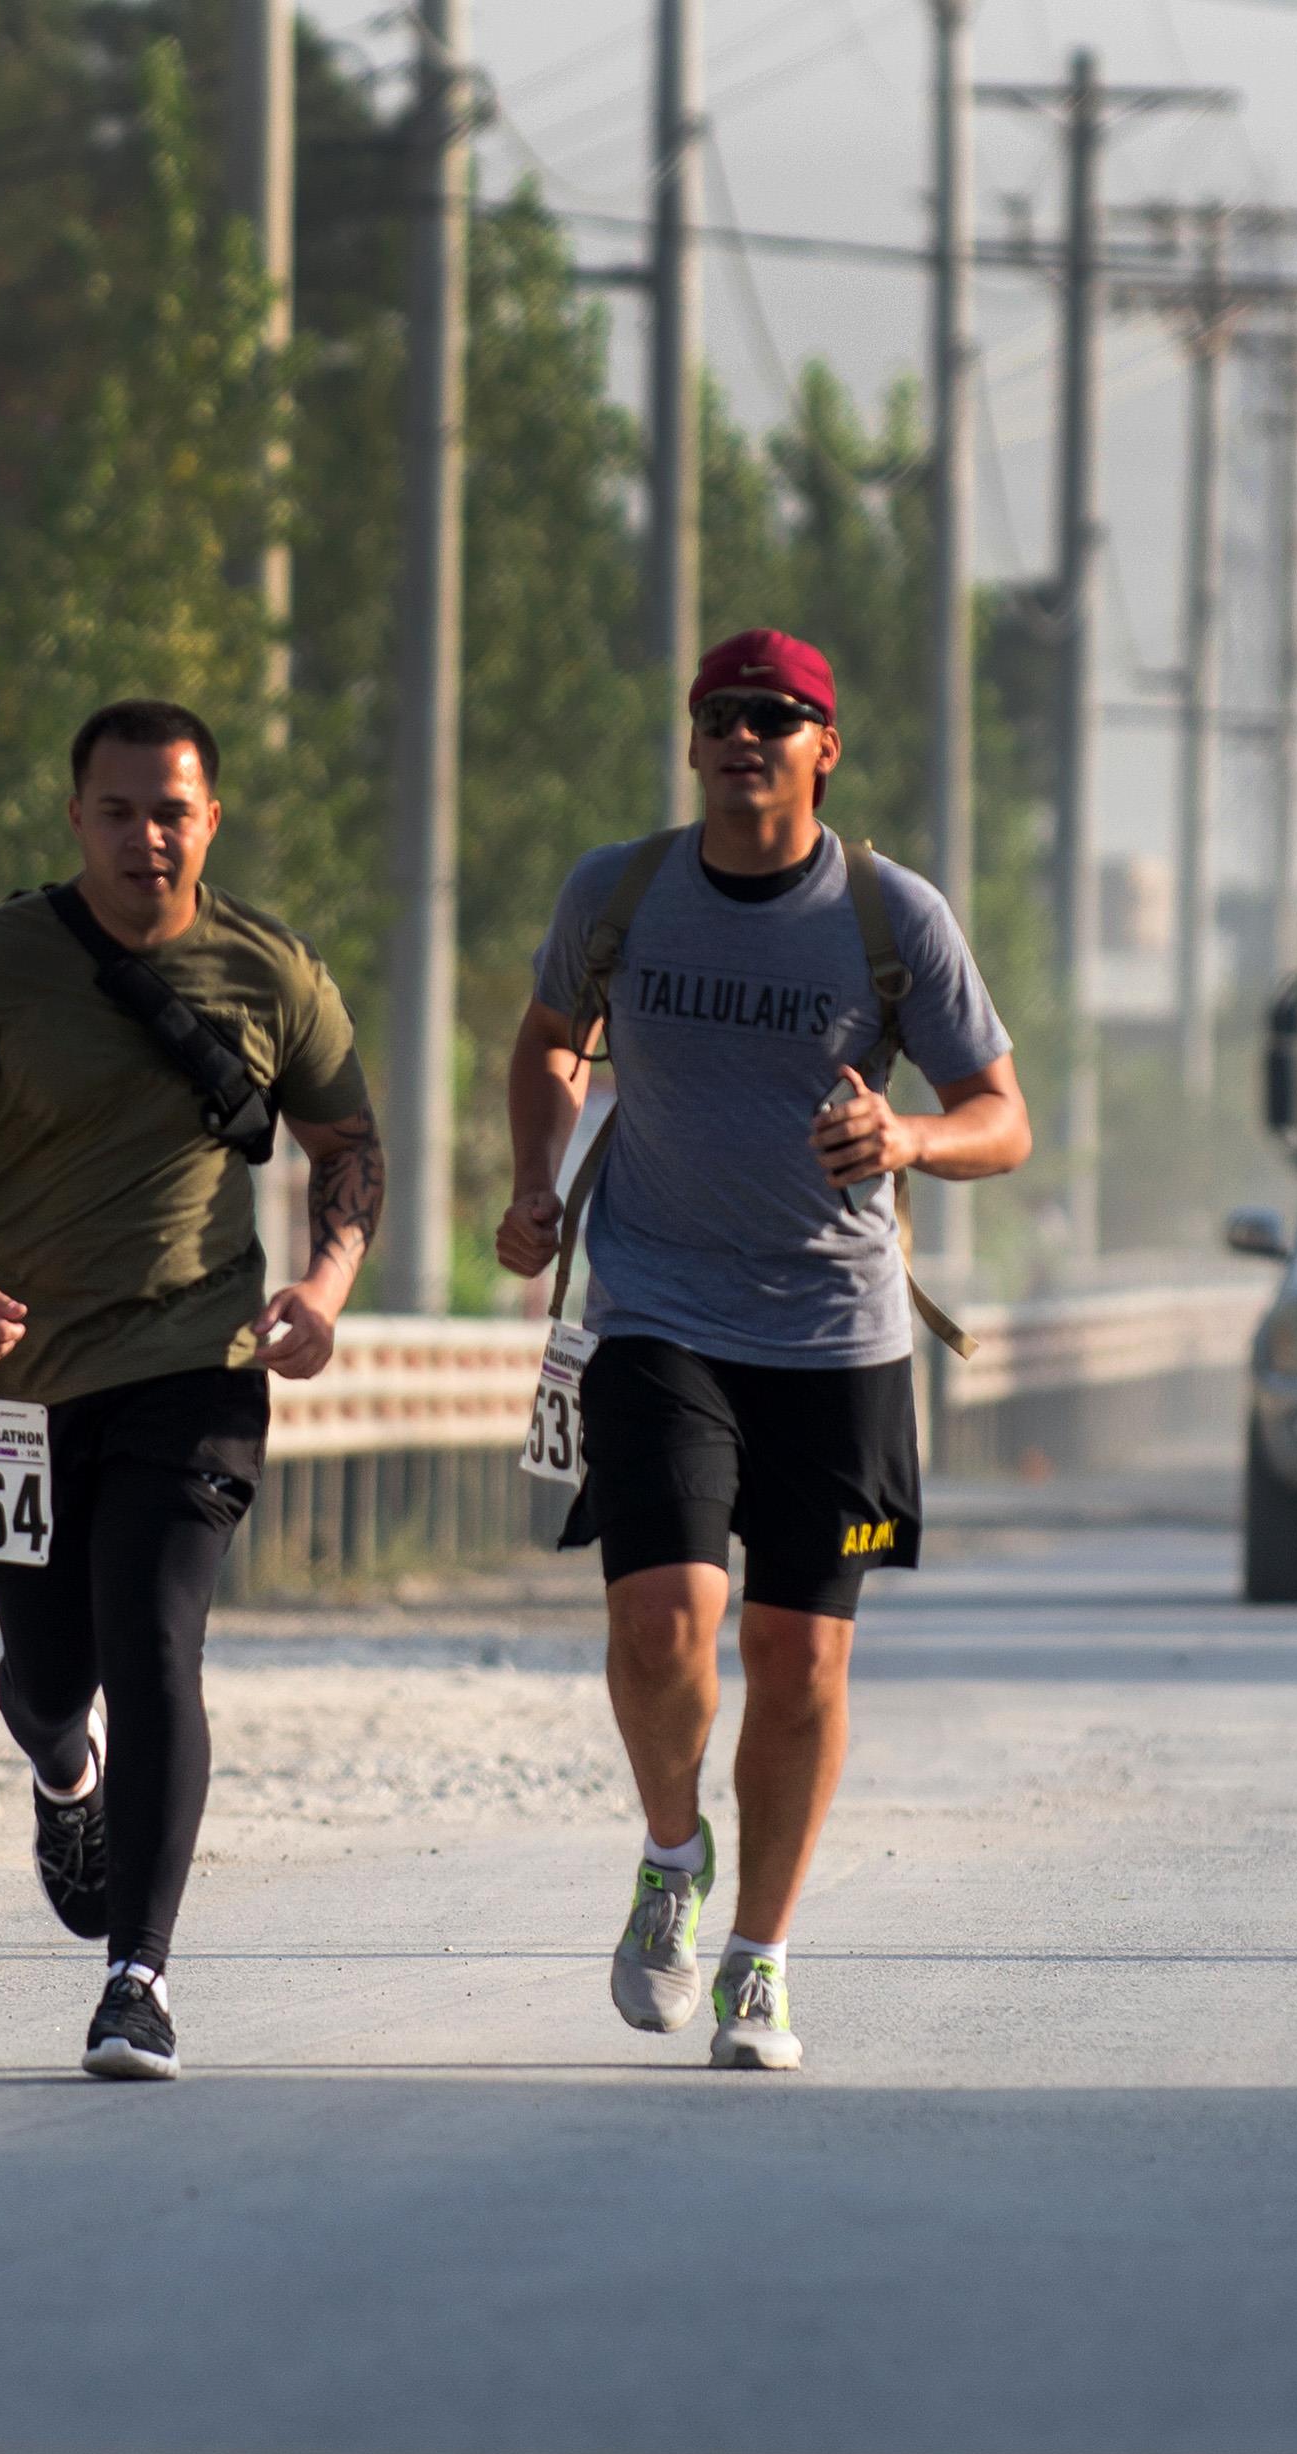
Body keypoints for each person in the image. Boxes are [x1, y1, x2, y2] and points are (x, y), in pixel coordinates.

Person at [495, 629, 1027, 2073]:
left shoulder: (890, 917)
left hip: (836, 1338)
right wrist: (537, 1178)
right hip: (655, 1310)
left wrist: (907, 1134)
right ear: (691, 742)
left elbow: (1001, 1116)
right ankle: (673, 1854)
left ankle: (760, 1960)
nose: (745, 735)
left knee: (796, 1659)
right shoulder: (617, 892)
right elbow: (548, 1038)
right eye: (722, 714)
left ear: (822, 750)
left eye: (777, 717)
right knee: (662, 1621)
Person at [0, 698, 383, 2081]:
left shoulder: (270, 970)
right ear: (76, 817)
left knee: (154, 1645)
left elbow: (346, 1143)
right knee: (46, 1679)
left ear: (211, 818)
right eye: (120, 810)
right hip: (9, 1386)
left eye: (172, 811)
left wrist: (325, 1284)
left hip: (195, 1369)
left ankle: (136, 1979)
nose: (148, 836)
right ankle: (60, 1772)